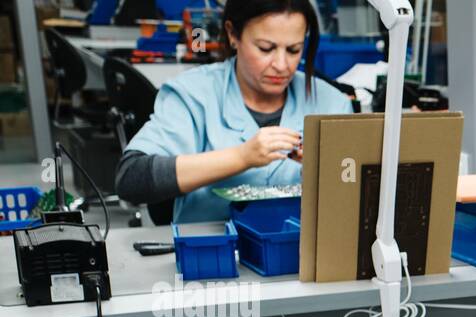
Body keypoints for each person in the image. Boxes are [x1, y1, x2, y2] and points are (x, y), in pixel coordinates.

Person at [115, 0, 352, 223]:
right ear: (232, 35)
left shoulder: (331, 103)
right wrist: (242, 157)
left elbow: (361, 195)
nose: (281, 65)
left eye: (293, 50)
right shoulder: (194, 94)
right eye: (266, 48)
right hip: (211, 257)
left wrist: (330, 170)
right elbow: (132, 179)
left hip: (299, 256)